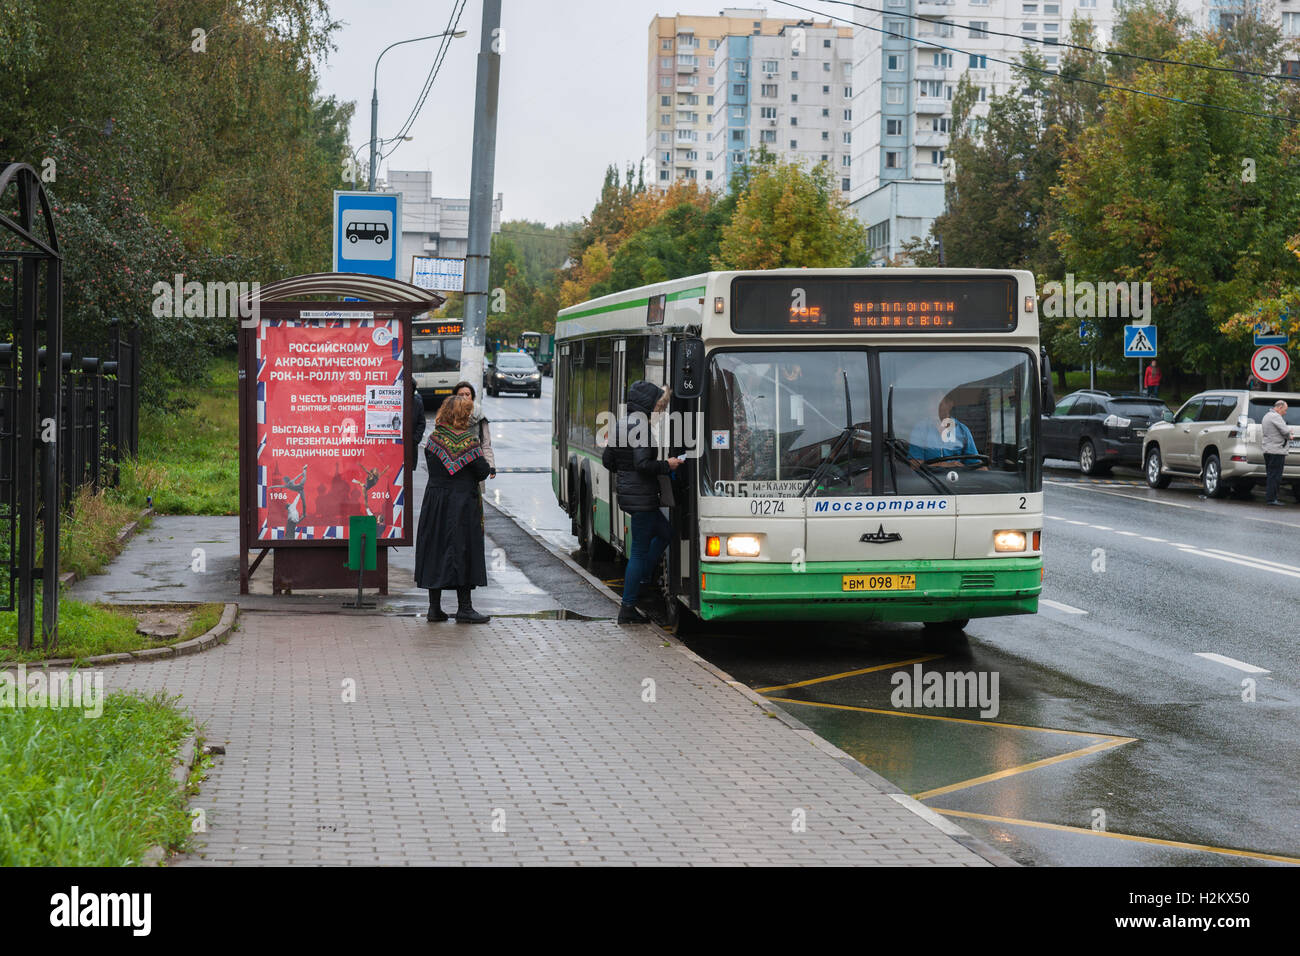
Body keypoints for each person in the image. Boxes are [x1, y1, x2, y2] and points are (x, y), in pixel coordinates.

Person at [601, 380, 682, 625]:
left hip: (630, 494)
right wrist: (667, 465)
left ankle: (641, 581)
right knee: (638, 552)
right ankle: (628, 607)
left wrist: (625, 474)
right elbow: (643, 464)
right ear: (647, 403)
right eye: (657, 402)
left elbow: (608, 460)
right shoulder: (641, 427)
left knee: (666, 532)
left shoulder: (621, 424)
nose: (659, 407)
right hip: (643, 498)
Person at [415, 395, 493, 622]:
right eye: (467, 412)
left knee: (435, 548)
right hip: (462, 504)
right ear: (460, 415)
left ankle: (434, 608)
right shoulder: (468, 442)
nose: (469, 416)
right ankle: (465, 608)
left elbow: (432, 467)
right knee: (463, 548)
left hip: (435, 501)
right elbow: (482, 471)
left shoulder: (434, 439)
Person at [908, 392, 983, 467]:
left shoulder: (962, 430)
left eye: (938, 403)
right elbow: (914, 465)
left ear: (950, 404)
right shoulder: (920, 429)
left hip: (959, 477)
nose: (933, 407)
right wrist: (943, 464)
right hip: (928, 478)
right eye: (930, 404)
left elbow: (975, 463)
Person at [452, 380, 496, 479]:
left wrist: (491, 465)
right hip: (454, 464)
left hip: (475, 462)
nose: (464, 397)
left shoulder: (479, 415)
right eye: (461, 395)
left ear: (472, 396)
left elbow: (485, 443)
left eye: (467, 394)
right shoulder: (448, 415)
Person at [1262, 399, 1290, 506]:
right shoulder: (1275, 416)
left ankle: (1271, 498)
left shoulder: (1267, 415)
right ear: (1279, 407)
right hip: (1276, 451)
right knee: (1275, 476)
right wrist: (1290, 435)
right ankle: (1271, 499)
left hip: (1268, 450)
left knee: (1271, 475)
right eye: (1285, 410)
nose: (1285, 412)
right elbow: (1285, 431)